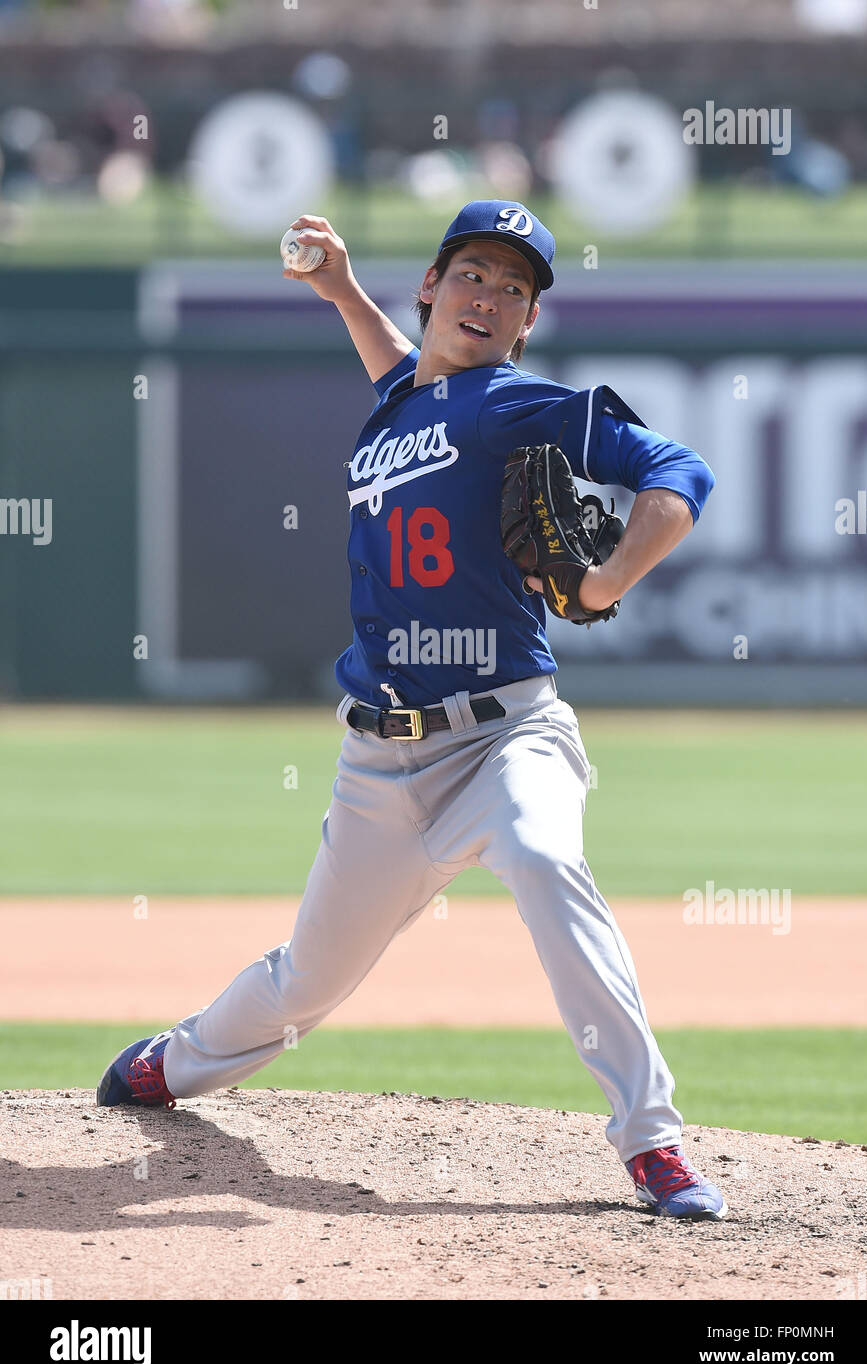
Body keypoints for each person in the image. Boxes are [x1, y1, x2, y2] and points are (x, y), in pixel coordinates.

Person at [98, 200, 727, 1221]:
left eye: (513, 287)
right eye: (472, 272)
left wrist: (606, 580)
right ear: (430, 286)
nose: (490, 296)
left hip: (505, 734)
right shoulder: (404, 399)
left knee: (542, 857)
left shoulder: (511, 401)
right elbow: (402, 369)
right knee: (307, 980)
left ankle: (650, 1141)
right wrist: (344, 289)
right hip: (378, 768)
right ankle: (172, 1064)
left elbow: (677, 471)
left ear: (526, 322)